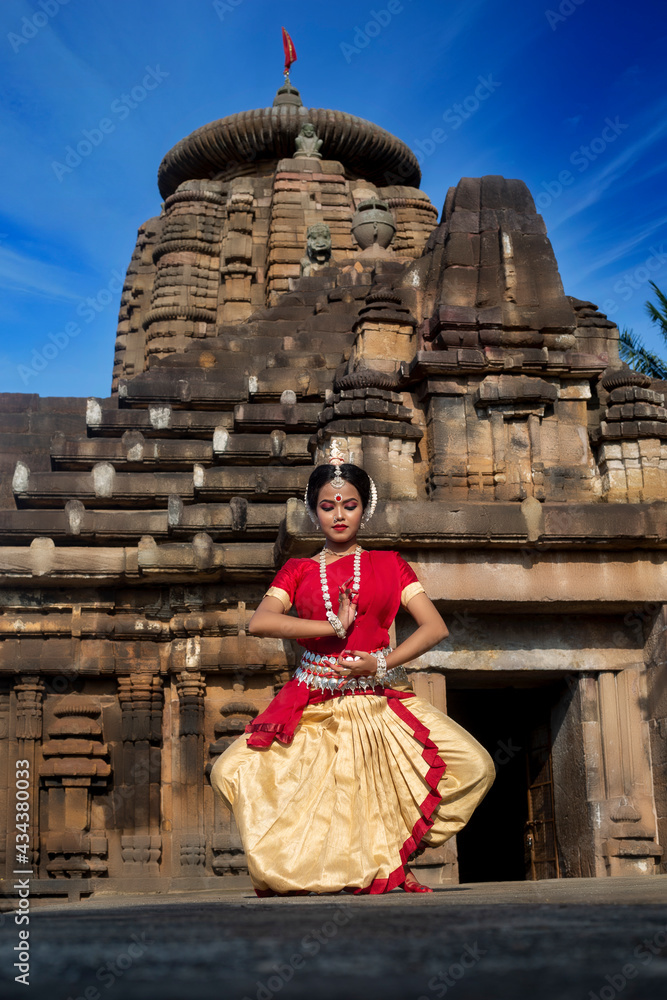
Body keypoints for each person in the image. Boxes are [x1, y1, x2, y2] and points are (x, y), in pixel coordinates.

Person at [209, 453, 496, 895]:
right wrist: (332, 626)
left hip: (376, 696)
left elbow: (434, 626)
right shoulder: (299, 569)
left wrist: (381, 663)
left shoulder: (389, 564)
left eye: (349, 505)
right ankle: (330, 867)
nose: (339, 515)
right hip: (313, 699)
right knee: (231, 769)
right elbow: (260, 621)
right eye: (328, 506)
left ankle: (394, 860)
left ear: (366, 508)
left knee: (473, 765)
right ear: (313, 510)